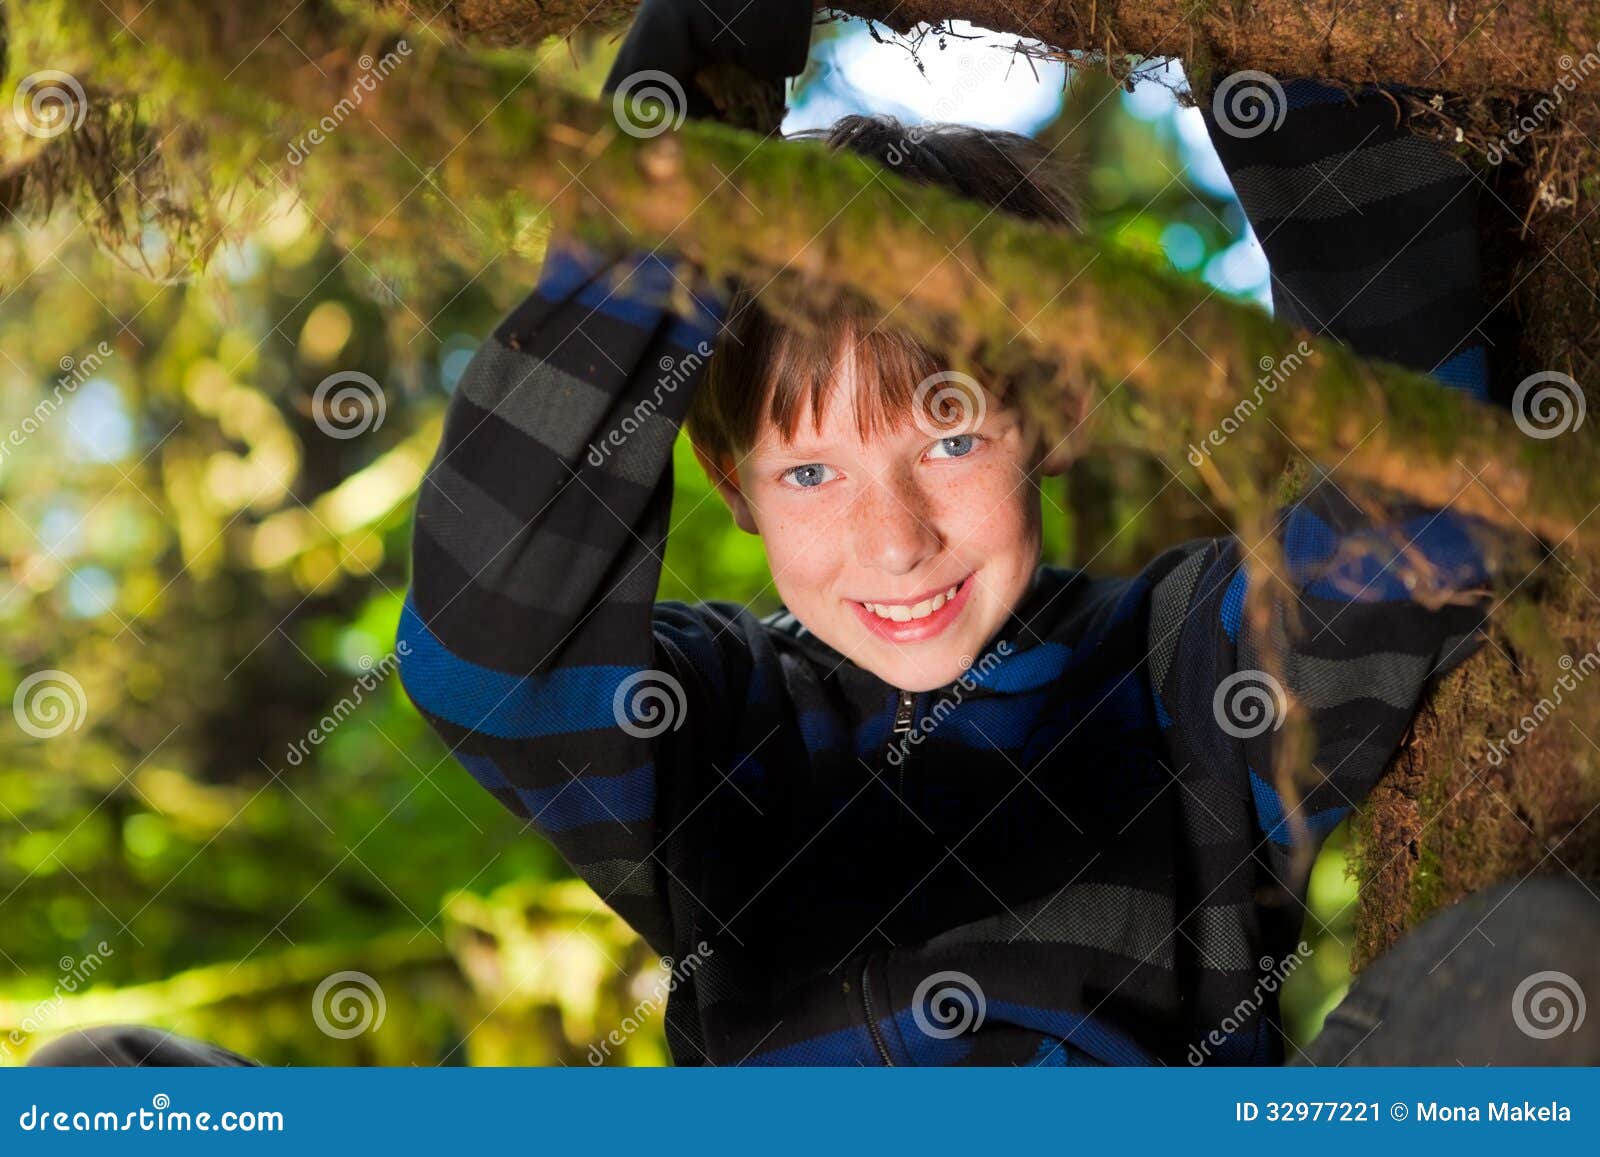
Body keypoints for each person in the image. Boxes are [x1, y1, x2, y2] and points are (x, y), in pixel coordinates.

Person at [30, 0, 1599, 1068]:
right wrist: (703, 92)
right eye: (809, 474)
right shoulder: (718, 723)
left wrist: (1257, 43)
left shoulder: (1181, 661)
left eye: (952, 432)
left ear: (1046, 410)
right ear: (723, 486)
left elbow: (1431, 490)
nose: (898, 536)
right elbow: (487, 655)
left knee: (1542, 961)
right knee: (108, 1085)